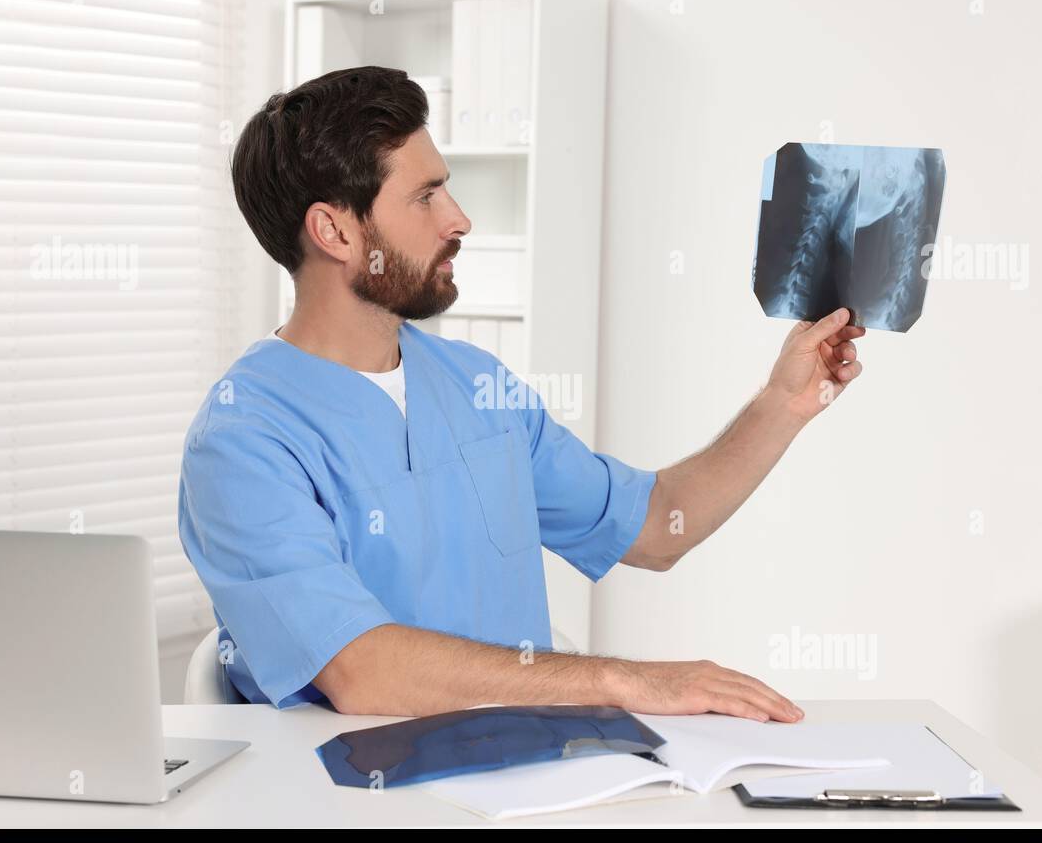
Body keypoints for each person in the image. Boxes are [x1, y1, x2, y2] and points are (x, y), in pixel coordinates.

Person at [178, 66, 865, 720]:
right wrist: (619, 679)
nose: (460, 218)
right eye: (425, 197)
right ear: (334, 230)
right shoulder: (243, 438)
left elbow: (658, 526)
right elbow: (361, 669)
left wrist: (784, 401)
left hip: (523, 776)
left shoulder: (476, 386)